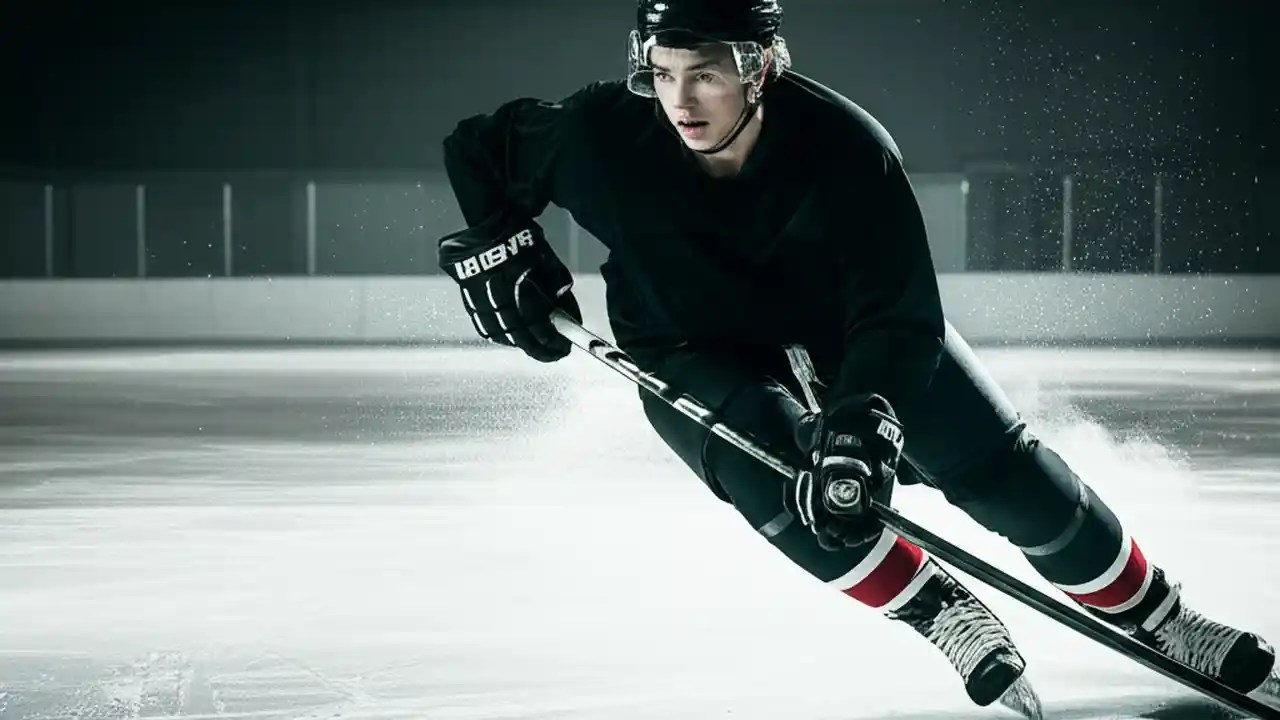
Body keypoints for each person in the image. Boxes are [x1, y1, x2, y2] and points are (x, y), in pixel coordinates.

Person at [435, 0, 1278, 715]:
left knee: (997, 471)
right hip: (689, 343)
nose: (680, 100)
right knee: (774, 473)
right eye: (662, 72)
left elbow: (900, 315)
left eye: (705, 75)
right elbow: (477, 146)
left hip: (853, 330)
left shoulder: (846, 149)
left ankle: (1165, 618)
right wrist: (498, 242)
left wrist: (865, 419)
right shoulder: (598, 135)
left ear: (758, 68)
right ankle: (939, 607)